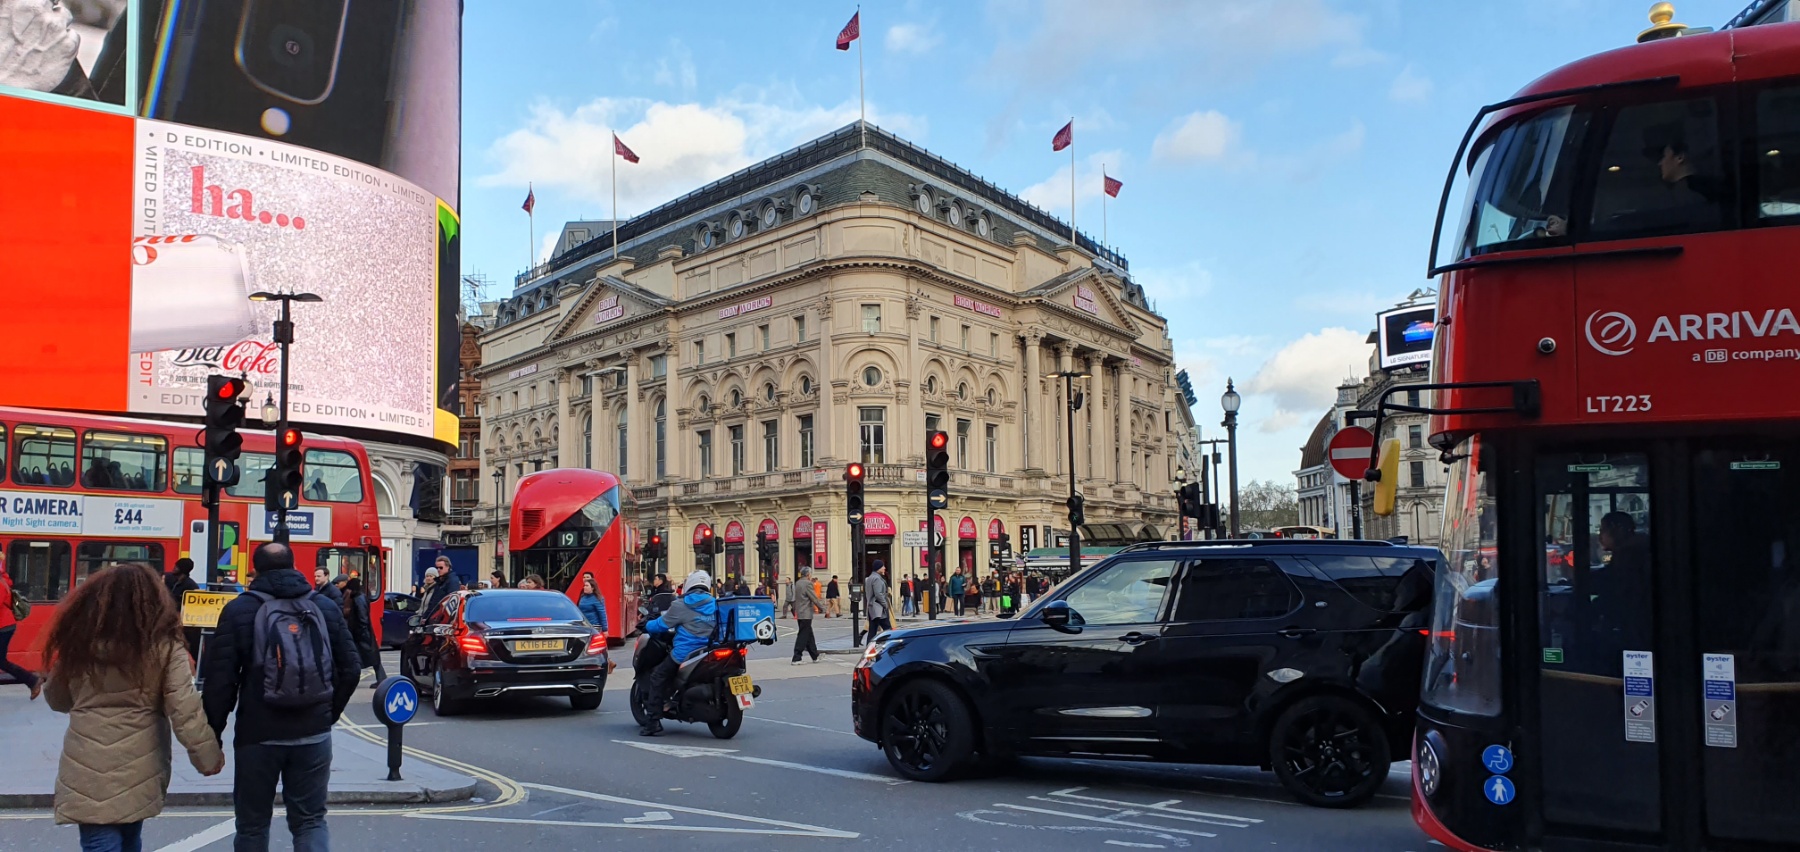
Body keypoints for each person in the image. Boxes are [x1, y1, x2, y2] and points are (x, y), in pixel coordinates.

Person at [43, 562, 224, 850]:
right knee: (129, 835)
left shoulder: (80, 644)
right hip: (141, 757)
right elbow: (184, 708)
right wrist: (207, 757)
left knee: (100, 838)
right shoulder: (165, 646)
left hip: (86, 756)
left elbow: (57, 700)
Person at [202, 543, 360, 852]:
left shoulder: (239, 610)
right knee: (310, 821)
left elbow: (220, 682)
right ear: (294, 566)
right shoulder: (324, 607)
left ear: (256, 571)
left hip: (257, 736)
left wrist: (214, 735)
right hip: (312, 733)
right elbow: (351, 668)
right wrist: (327, 715)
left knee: (252, 825)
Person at [639, 571, 717, 737]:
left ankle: (653, 722)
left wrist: (647, 625)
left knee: (657, 676)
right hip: (711, 650)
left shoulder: (681, 604)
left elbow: (662, 624)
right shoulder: (715, 603)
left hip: (685, 652)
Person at [0, 555, 43, 699]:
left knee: (0, 661)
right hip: (4, 625)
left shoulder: (0, 583)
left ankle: (32, 680)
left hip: (3, 626)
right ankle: (32, 681)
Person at [340, 576, 387, 687]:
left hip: (361, 633)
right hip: (363, 632)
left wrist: (361, 631)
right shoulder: (360, 597)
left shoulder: (358, 599)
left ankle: (381, 679)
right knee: (372, 658)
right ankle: (381, 679)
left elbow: (362, 618)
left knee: (360, 657)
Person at [791, 568, 823, 665]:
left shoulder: (798, 583)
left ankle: (815, 656)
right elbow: (813, 597)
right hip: (806, 613)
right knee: (803, 635)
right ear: (808, 574)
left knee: (809, 634)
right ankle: (796, 657)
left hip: (800, 612)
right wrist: (821, 608)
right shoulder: (808, 584)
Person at [863, 561, 891, 642]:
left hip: (872, 608)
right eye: (882, 566)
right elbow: (878, 594)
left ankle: (869, 648)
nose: (884, 568)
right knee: (887, 629)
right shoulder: (877, 579)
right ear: (878, 568)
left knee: (872, 631)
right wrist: (885, 604)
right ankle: (890, 647)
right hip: (879, 609)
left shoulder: (870, 577)